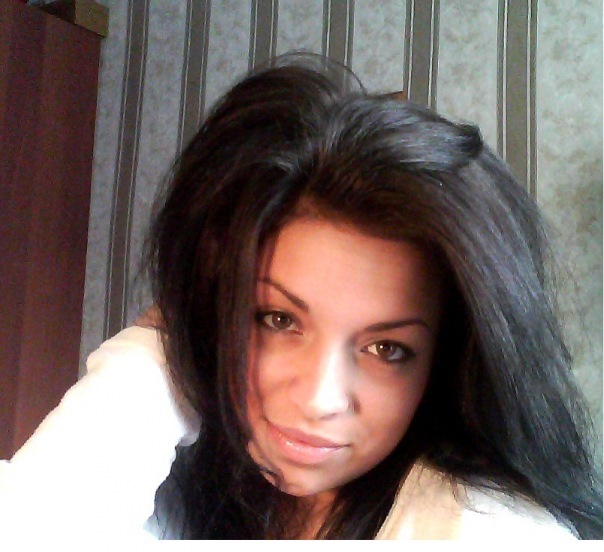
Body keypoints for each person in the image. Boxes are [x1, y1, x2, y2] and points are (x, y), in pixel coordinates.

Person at [0, 54, 601, 541]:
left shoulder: (478, 524)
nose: (319, 400)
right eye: (277, 318)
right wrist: (153, 357)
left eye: (387, 349)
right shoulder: (163, 478)